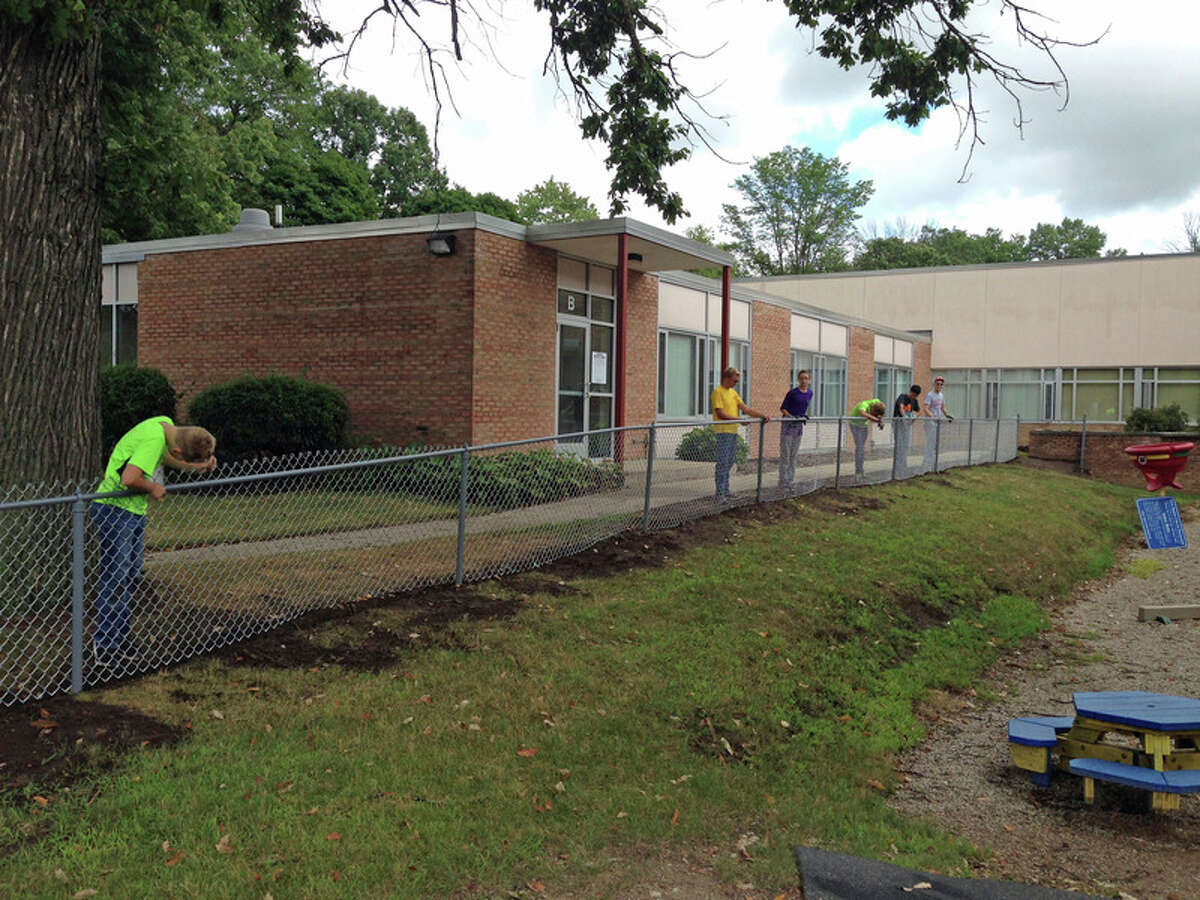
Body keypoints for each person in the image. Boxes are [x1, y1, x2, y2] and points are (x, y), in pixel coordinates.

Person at [91, 417, 217, 668]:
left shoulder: (164, 425)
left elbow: (166, 457)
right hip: (116, 511)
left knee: (131, 575)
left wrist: (194, 466)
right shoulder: (152, 441)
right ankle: (105, 644)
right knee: (116, 578)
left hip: (132, 512)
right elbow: (129, 478)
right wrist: (153, 488)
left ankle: (120, 636)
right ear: (179, 448)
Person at [711, 366, 770, 503]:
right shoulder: (717, 392)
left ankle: (725, 490)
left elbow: (746, 409)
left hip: (732, 432)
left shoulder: (733, 393)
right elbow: (720, 413)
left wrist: (762, 415)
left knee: (730, 462)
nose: (736, 383)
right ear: (726, 378)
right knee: (722, 463)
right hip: (723, 432)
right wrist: (739, 419)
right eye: (734, 381)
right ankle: (720, 494)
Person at [778, 369, 813, 491]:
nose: (804, 380)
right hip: (788, 426)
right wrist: (791, 417)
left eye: (806, 378)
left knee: (793, 455)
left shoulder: (809, 393)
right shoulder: (792, 393)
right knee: (786, 455)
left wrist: (803, 416)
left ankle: (790, 480)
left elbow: (802, 408)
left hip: (798, 427)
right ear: (798, 379)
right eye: (801, 378)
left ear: (809, 380)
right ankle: (783, 481)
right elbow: (783, 409)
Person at [892, 384, 926, 476]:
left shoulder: (914, 401)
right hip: (898, 426)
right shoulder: (902, 397)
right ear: (910, 391)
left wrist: (914, 416)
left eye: (915, 396)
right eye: (912, 394)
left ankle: (903, 467)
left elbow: (919, 411)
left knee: (905, 447)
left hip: (906, 427)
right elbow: (901, 407)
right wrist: (905, 417)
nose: (913, 397)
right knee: (899, 446)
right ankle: (897, 469)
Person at [848, 398, 886, 477]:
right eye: (875, 414)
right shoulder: (864, 405)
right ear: (873, 410)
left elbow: (880, 414)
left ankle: (861, 469)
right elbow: (863, 413)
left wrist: (880, 420)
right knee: (860, 447)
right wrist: (876, 419)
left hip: (863, 425)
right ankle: (858, 471)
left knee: (862, 447)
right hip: (854, 424)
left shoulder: (878, 402)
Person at [924, 375, 954, 469]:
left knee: (936, 442)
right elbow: (925, 408)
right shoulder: (930, 395)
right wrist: (932, 417)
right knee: (930, 442)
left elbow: (942, 407)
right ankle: (927, 461)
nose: (939, 386)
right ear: (934, 384)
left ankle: (933, 461)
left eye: (941, 384)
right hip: (930, 423)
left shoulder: (941, 395)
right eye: (937, 384)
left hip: (938, 422)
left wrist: (946, 414)